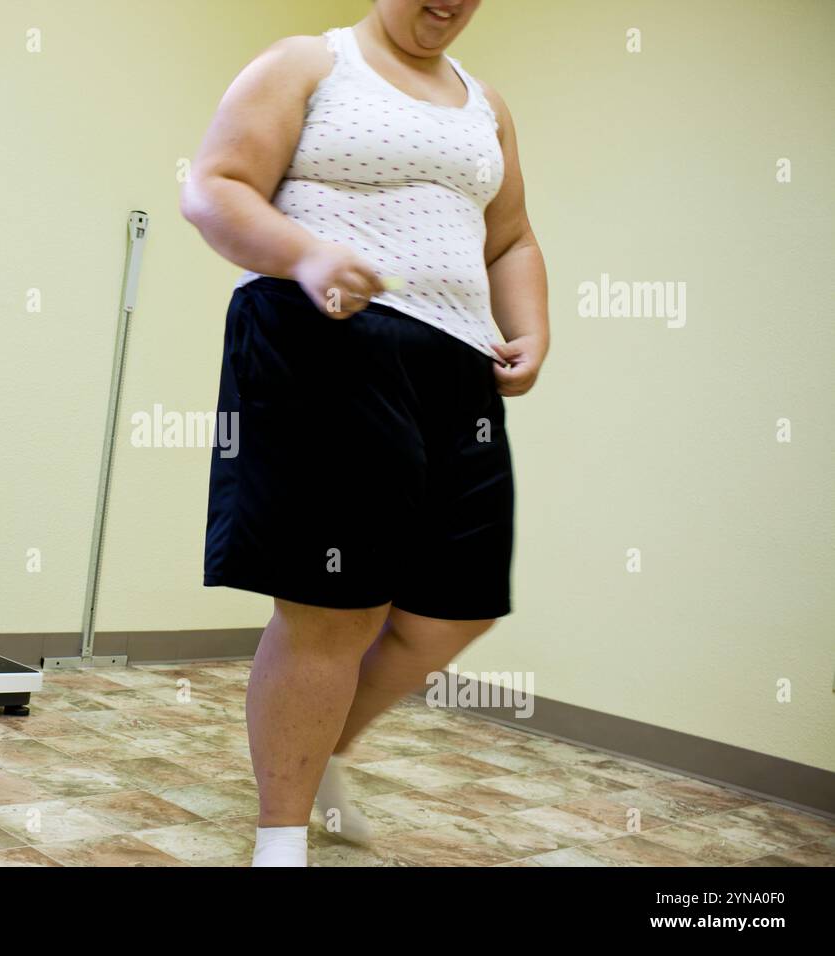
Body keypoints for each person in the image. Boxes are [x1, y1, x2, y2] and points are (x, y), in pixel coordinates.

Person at [180, 0, 548, 865]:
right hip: (328, 340)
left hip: (456, 369)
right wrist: (306, 254)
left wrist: (530, 327)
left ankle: (317, 748)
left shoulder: (486, 105)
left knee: (451, 613)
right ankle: (281, 840)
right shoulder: (310, 61)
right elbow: (214, 188)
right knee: (333, 610)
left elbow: (512, 238)